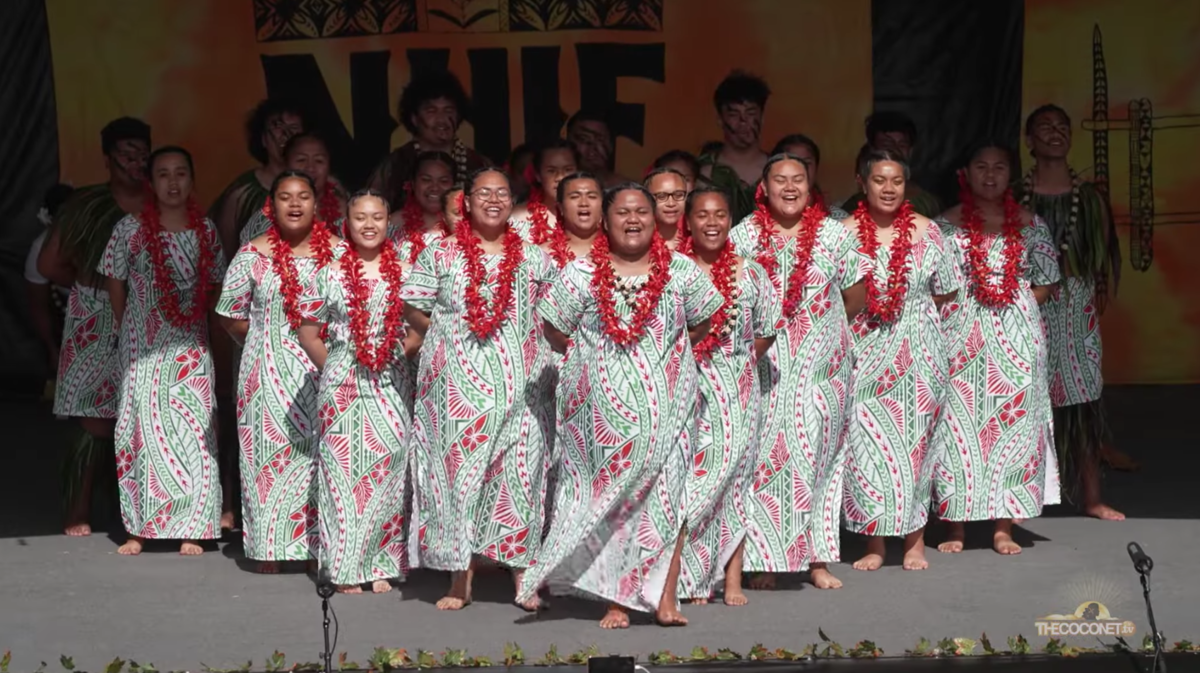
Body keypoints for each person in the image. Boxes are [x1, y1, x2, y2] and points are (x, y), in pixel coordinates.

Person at [517, 183, 722, 628]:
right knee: (615, 503)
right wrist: (596, 367)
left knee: (669, 499)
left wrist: (659, 362)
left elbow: (702, 321)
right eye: (623, 213)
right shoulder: (581, 272)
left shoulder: (681, 271)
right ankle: (617, 599)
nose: (633, 220)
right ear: (605, 222)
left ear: (656, 219)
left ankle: (666, 597)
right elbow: (554, 327)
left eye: (642, 212)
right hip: (600, 418)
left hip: (669, 410)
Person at [401, 168, 555, 611]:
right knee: (457, 479)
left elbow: (557, 311)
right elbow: (412, 305)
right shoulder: (440, 253)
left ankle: (524, 577)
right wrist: (446, 335)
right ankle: (459, 579)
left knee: (520, 477)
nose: (493, 199)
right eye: (483, 193)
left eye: (502, 193)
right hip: (457, 389)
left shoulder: (535, 257)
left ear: (512, 202)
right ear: (466, 202)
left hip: (522, 387)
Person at [729, 154, 867, 591]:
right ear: (763, 188)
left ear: (810, 187)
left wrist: (818, 333)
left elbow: (856, 296)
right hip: (765, 365)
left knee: (820, 455)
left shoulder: (834, 234)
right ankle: (764, 559)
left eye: (798, 180)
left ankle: (816, 559)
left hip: (822, 366)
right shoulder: (743, 235)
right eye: (780, 180)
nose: (789, 187)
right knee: (764, 458)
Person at [99, 146, 227, 556]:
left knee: (193, 429)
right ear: (151, 183)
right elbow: (114, 278)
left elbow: (215, 286)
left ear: (192, 179)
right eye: (164, 174)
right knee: (141, 430)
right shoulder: (130, 229)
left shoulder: (206, 230)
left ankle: (194, 525)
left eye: (181, 173)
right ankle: (140, 528)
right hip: (142, 345)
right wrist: (129, 325)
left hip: (190, 346)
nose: (173, 182)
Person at [934, 142, 1061, 555]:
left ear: (1011, 175)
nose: (990, 175)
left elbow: (1046, 281)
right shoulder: (944, 226)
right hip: (959, 337)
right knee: (957, 426)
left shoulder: (1031, 224)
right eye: (981, 166)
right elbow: (933, 285)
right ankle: (954, 524)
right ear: (965, 173)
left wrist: (1012, 309)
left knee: (1014, 427)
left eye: (1000, 167)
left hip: (1017, 340)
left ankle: (1003, 526)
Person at [839, 148, 960, 571]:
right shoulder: (843, 234)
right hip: (865, 353)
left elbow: (946, 288)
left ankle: (915, 539)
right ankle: (874, 541)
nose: (888, 188)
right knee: (867, 445)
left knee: (918, 446)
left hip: (921, 354)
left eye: (897, 181)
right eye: (879, 180)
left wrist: (913, 319)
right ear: (862, 182)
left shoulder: (929, 231)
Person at [217, 171, 339, 573]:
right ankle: (269, 547)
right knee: (268, 456)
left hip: (324, 369)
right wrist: (266, 342)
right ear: (271, 206)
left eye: (303, 196)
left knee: (321, 458)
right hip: (266, 371)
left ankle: (318, 547)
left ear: (316, 203)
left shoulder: (340, 253)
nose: (295, 204)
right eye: (285, 197)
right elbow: (230, 314)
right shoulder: (252, 254)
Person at [296, 189, 415, 593]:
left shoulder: (407, 271)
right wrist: (336, 367)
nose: (369, 225)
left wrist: (395, 355)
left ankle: (381, 562)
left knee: (388, 468)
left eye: (377, 217)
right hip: (343, 380)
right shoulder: (328, 273)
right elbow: (308, 333)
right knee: (342, 473)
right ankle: (345, 566)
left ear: (388, 222)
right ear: (346, 224)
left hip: (391, 381)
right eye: (360, 217)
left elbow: (421, 327)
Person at [39, 117, 150, 537]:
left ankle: (140, 510)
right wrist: (94, 287)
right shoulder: (86, 204)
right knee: (94, 419)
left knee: (145, 414)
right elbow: (48, 265)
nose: (135, 162)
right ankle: (78, 508)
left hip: (150, 314)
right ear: (107, 159)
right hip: (95, 314)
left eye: (142, 154)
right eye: (126, 154)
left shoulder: (161, 201)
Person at [1018, 104, 1126, 518]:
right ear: (1029, 140)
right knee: (1024, 396)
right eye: (1045, 126)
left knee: (1082, 399)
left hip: (1076, 308)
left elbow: (1100, 258)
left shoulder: (1090, 198)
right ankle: (1019, 495)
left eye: (1062, 126)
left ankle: (1093, 497)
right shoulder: (1014, 195)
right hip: (1027, 304)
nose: (1055, 132)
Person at [677, 186, 777, 607]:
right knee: (689, 484)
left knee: (735, 482)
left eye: (720, 214)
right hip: (685, 389)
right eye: (702, 215)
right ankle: (691, 578)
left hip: (737, 391)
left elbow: (767, 329)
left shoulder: (751, 273)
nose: (712, 222)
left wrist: (735, 366)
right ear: (688, 221)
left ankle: (731, 578)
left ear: (730, 221)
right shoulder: (675, 270)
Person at [367, 71, 489, 210]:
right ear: (414, 119)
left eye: (448, 110)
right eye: (431, 111)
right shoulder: (396, 165)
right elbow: (371, 210)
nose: (441, 119)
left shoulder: (478, 164)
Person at [210, 98, 306, 260]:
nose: (286, 135)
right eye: (277, 127)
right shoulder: (241, 194)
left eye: (294, 128)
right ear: (263, 139)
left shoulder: (322, 187)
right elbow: (224, 258)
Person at [241, 134, 346, 244]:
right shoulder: (265, 218)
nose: (310, 168)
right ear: (285, 165)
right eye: (301, 160)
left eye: (319, 161)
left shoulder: (345, 209)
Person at [25, 184, 76, 403]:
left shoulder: (99, 237)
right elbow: (39, 306)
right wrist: (53, 349)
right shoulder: (41, 250)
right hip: (68, 316)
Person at [699, 71, 772, 225]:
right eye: (734, 114)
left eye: (750, 113)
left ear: (762, 118)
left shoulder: (780, 170)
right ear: (720, 119)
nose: (743, 121)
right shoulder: (702, 172)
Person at [840, 113, 942, 218]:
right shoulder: (854, 207)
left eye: (902, 145)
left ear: (910, 151)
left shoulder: (929, 204)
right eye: (887, 144)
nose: (895, 150)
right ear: (872, 148)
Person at [388, 151, 456, 262]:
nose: (435, 188)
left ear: (453, 185)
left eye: (444, 181)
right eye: (426, 180)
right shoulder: (392, 224)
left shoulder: (467, 225)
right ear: (413, 183)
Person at [510, 140, 579, 244]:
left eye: (568, 170)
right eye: (551, 171)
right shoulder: (517, 219)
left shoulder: (594, 218)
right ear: (538, 175)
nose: (560, 177)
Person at [771, 135, 847, 219]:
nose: (801, 169)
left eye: (807, 163)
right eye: (793, 163)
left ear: (816, 168)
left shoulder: (838, 219)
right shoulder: (761, 222)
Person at [541, 172, 603, 269]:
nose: (584, 203)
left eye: (592, 197)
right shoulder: (542, 255)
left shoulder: (618, 253)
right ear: (561, 207)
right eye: (574, 197)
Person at [566, 110, 628, 188]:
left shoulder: (625, 190)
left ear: (611, 145)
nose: (593, 148)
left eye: (600, 140)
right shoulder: (557, 186)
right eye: (584, 139)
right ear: (569, 141)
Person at [644, 168, 690, 250]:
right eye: (661, 196)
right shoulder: (638, 240)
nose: (671, 203)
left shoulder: (698, 238)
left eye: (678, 195)